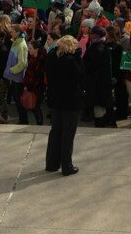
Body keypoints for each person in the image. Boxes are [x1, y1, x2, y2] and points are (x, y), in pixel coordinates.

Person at [45, 34, 84, 176]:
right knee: (68, 133)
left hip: (55, 99)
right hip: (69, 101)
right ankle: (67, 166)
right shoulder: (70, 61)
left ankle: (51, 163)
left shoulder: (51, 57)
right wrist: (78, 57)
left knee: (56, 131)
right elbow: (81, 75)